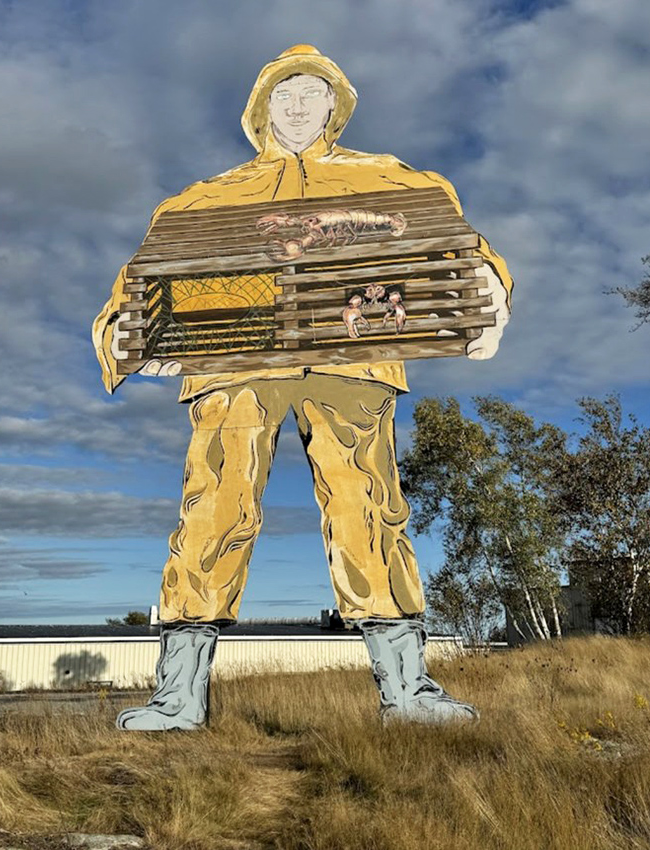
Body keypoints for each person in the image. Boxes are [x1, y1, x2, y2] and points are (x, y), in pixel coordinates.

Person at [92, 45, 514, 731]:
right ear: (261, 108)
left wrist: (487, 287)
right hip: (236, 366)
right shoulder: (203, 200)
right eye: (283, 93)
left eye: (311, 92)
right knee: (213, 505)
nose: (296, 105)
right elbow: (142, 278)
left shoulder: (393, 180)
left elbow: (459, 245)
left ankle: (407, 689)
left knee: (368, 504)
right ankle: (178, 695)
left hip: (352, 361)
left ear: (334, 105)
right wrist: (123, 331)